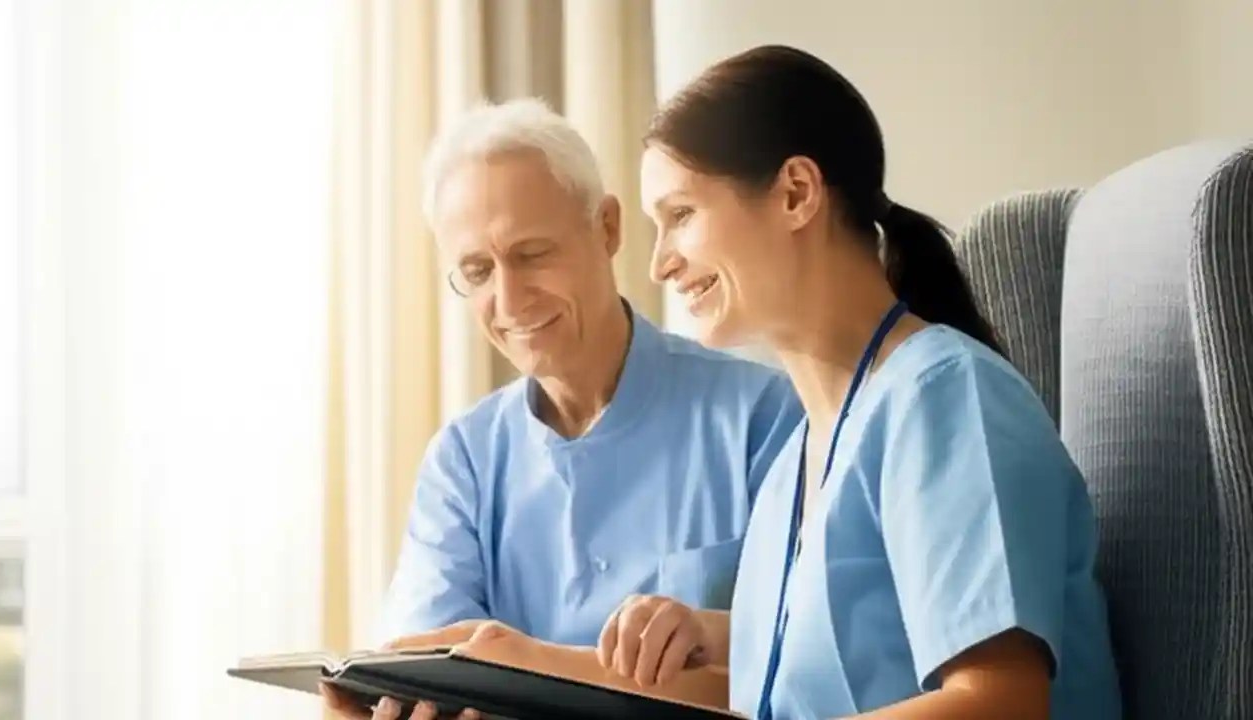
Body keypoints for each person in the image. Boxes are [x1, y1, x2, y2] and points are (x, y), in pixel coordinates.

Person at [350, 46, 1123, 720]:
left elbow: (1000, 704)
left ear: (795, 194)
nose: (658, 264)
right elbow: (760, 700)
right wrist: (508, 660)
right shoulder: (806, 452)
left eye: (681, 215)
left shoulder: (945, 399)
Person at [321, 98, 803, 720]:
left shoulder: (764, 419)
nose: (509, 298)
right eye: (477, 270)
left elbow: (810, 674)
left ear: (606, 227)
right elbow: (425, 673)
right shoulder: (463, 461)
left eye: (530, 255)